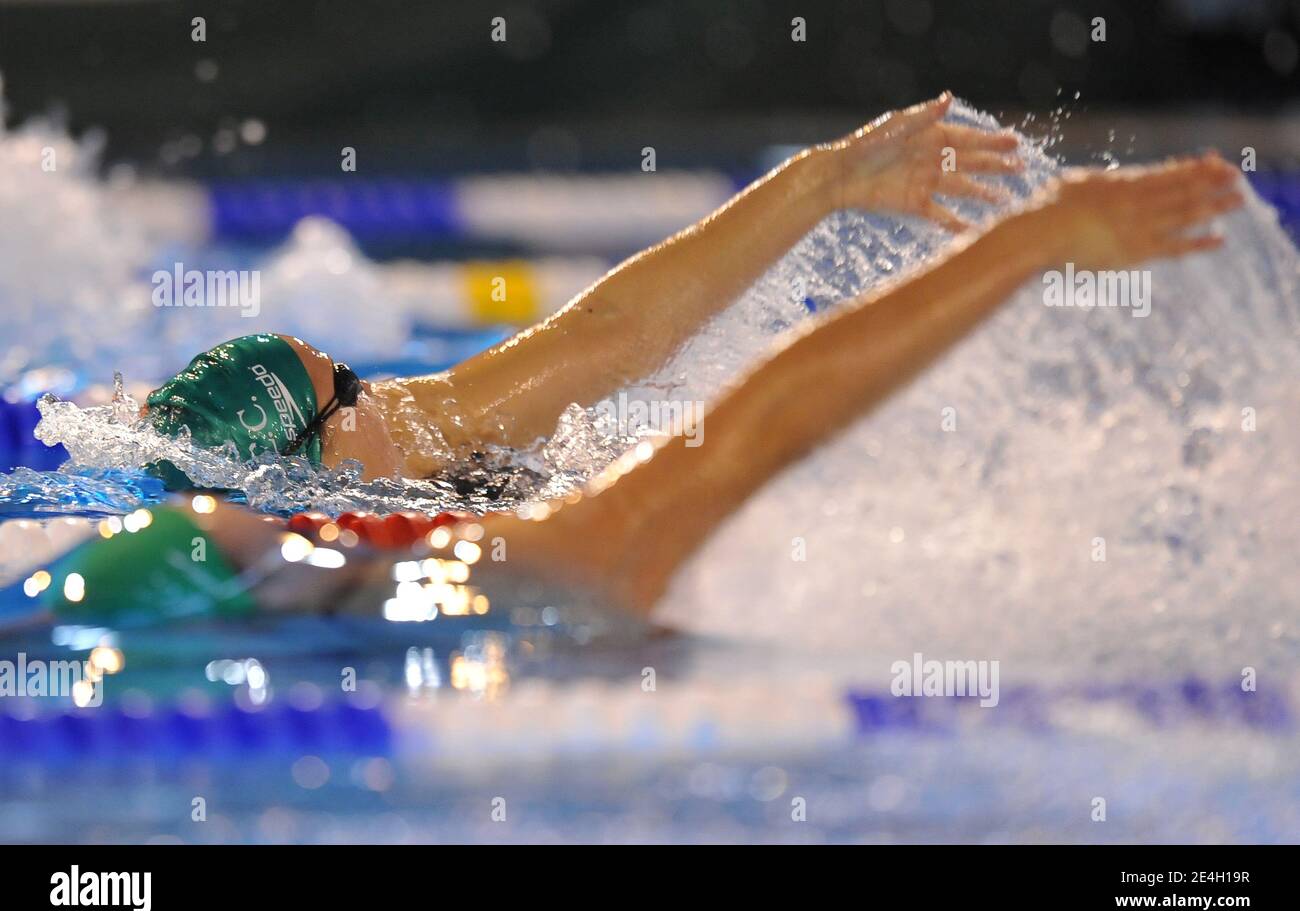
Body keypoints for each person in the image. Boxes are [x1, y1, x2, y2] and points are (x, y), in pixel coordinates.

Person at [135, 94, 1242, 618]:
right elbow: (752, 441)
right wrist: (1030, 244)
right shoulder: (470, 566)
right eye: (357, 385)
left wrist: (825, 180)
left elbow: (604, 341)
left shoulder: (342, 520)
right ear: (316, 452)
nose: (404, 388)